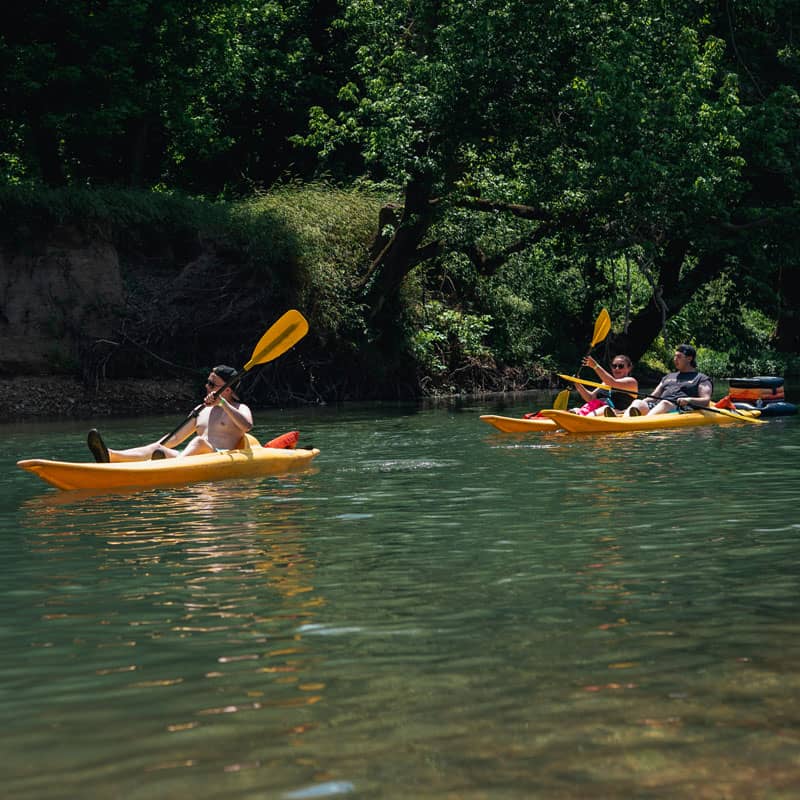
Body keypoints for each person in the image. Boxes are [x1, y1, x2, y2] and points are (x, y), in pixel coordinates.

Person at [87, 365, 254, 463]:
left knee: (199, 442)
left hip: (221, 457)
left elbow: (247, 426)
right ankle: (111, 456)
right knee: (159, 447)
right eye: (207, 382)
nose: (207, 387)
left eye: (212, 384)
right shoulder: (201, 410)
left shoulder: (239, 408)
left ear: (228, 390)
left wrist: (223, 404)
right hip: (192, 458)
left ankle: (169, 468)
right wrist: (157, 446)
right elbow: (175, 439)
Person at [624, 344, 712, 416]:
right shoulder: (668, 377)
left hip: (680, 408)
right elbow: (654, 396)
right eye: (675, 356)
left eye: (679, 357)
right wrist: (642, 402)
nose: (675, 359)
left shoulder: (701, 378)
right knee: (637, 402)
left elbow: (706, 400)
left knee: (665, 403)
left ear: (689, 358)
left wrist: (688, 400)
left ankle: (641, 423)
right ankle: (624, 421)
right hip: (657, 406)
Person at [571, 354, 638, 415]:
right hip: (597, 411)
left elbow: (613, 383)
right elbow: (590, 398)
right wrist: (577, 383)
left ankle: (583, 418)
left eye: (621, 366)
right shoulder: (606, 383)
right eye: (614, 366)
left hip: (612, 413)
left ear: (629, 368)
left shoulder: (632, 382)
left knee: (604, 408)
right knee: (574, 410)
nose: (617, 368)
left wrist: (595, 366)